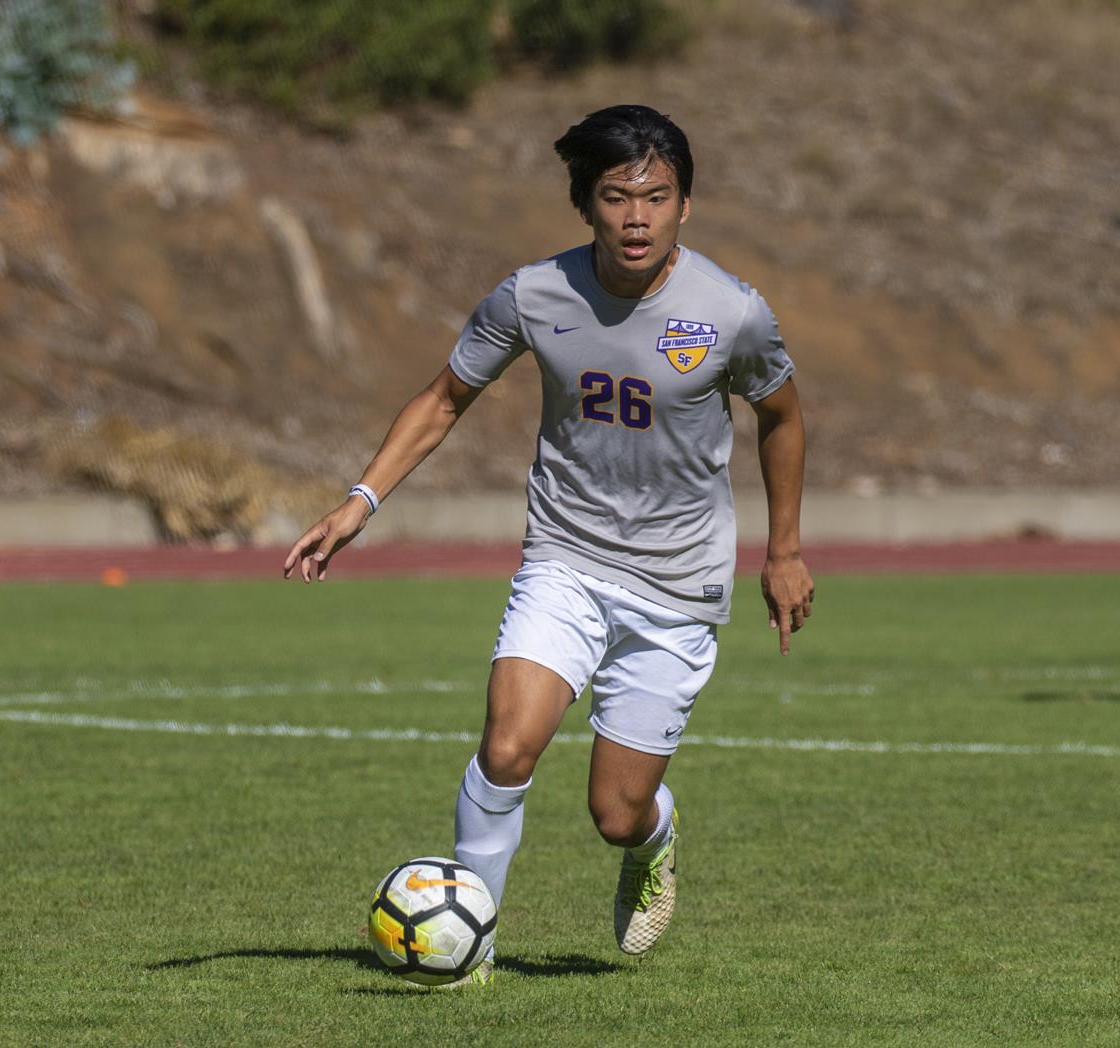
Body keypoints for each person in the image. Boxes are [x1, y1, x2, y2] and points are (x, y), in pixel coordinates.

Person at [283, 104, 814, 984]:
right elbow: (444, 397)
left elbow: (783, 418)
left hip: (679, 585)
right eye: (615, 197)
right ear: (586, 204)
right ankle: (469, 952)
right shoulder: (535, 294)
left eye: (657, 196)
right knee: (505, 748)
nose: (636, 217)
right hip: (567, 557)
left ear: (687, 204)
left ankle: (655, 837)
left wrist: (785, 549)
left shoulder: (731, 314)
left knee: (616, 810)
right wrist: (359, 502)